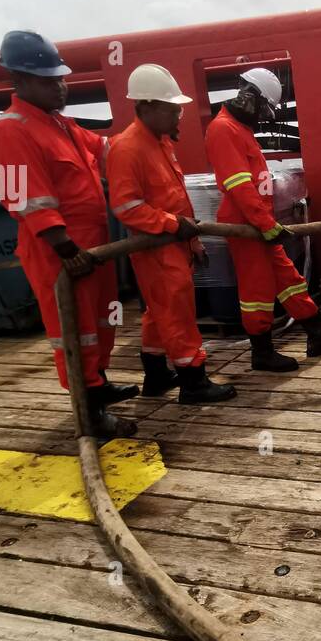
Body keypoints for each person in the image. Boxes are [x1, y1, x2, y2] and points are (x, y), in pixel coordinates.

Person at [0, 30, 138, 440]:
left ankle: (98, 386)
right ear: (17, 80)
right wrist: (64, 246)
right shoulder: (9, 130)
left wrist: (145, 136)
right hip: (60, 252)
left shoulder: (62, 125)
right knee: (75, 330)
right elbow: (25, 197)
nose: (60, 87)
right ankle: (89, 412)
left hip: (94, 247)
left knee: (101, 322)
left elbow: (107, 151)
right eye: (48, 80)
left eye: (60, 78)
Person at [105, 64, 237, 405]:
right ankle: (193, 381)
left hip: (173, 243)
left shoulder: (160, 142)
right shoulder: (128, 148)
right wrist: (172, 226)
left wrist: (191, 241)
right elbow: (126, 206)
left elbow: (174, 197)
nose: (179, 116)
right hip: (155, 248)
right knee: (176, 311)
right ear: (145, 107)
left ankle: (156, 374)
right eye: (172, 109)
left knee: (158, 311)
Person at [205, 67, 321, 371]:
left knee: (290, 280)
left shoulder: (240, 129)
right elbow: (239, 186)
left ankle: (317, 335)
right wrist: (265, 224)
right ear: (251, 97)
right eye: (265, 108)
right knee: (256, 290)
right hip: (245, 226)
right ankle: (262, 352)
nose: (264, 116)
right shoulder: (223, 129)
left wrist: (267, 223)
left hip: (260, 223)